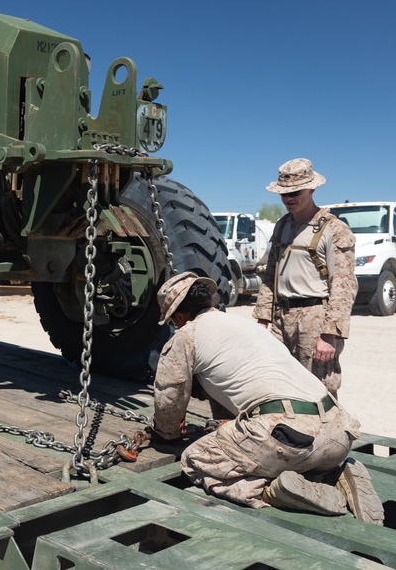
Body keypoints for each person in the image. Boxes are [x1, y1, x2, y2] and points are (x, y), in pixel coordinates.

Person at [151, 271, 383, 523]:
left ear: (179, 316)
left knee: (195, 459)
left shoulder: (186, 336)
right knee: (296, 449)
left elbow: (169, 399)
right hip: (340, 431)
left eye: (174, 322)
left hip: (289, 437)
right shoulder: (243, 325)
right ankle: (334, 475)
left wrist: (166, 434)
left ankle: (274, 491)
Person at [253, 158, 357, 396]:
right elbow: (271, 275)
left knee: (318, 389)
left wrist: (330, 334)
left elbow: (343, 286)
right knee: (277, 383)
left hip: (315, 318)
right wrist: (263, 318)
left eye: (295, 192)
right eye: (283, 194)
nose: (288, 199)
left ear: (311, 189)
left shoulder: (334, 230)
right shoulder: (282, 226)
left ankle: (326, 433)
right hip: (281, 315)